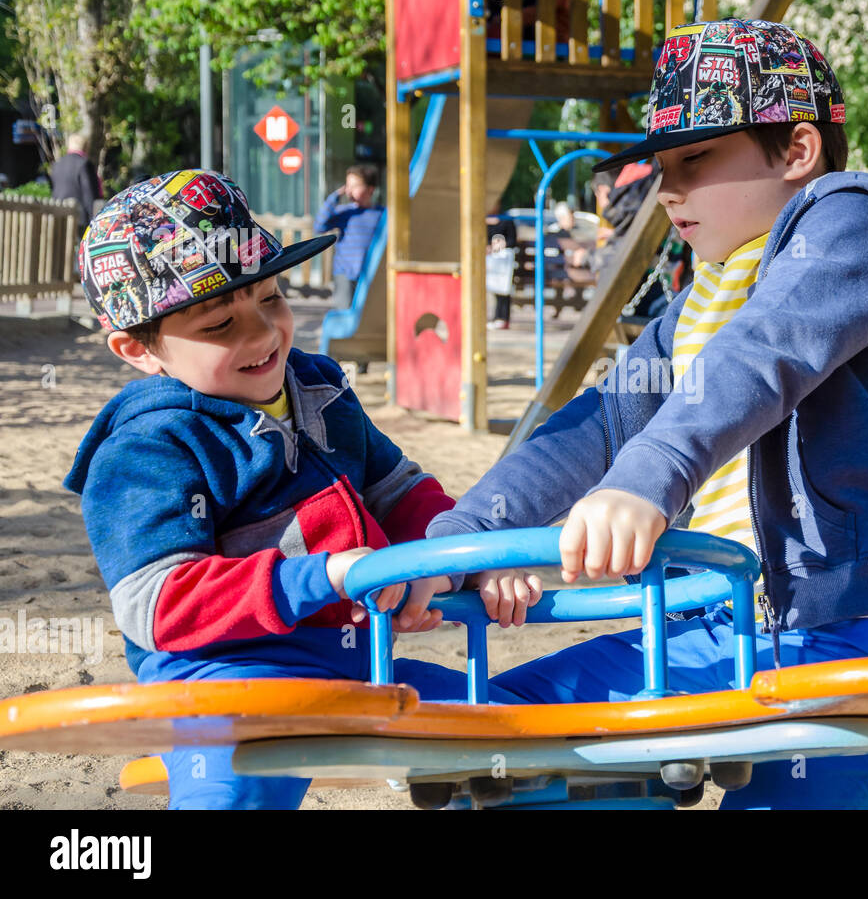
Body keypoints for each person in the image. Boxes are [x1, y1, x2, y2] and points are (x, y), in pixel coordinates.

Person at [420, 18, 868, 809]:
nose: (668, 190)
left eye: (695, 160)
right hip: (717, 626)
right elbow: (592, 429)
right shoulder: (692, 310)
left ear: (796, 151)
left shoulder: (856, 229)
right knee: (500, 738)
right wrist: (468, 531)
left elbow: (763, 355)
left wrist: (647, 478)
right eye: (660, 168)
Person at [63, 170, 541, 809]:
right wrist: (327, 576)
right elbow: (157, 605)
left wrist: (473, 561)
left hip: (356, 661)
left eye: (268, 298)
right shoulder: (147, 448)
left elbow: (400, 491)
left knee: (516, 737)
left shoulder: (319, 388)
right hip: (224, 677)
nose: (260, 335)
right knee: (231, 791)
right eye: (218, 325)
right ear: (137, 349)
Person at [313, 163, 384, 309]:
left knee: (367, 313)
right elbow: (319, 226)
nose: (349, 190)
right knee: (343, 310)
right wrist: (335, 197)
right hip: (344, 273)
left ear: (370, 189)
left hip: (371, 274)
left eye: (355, 186)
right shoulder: (345, 212)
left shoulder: (382, 214)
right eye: (347, 186)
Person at [50, 133, 102, 232]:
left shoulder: (57, 164)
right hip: (79, 218)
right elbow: (89, 194)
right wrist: (92, 219)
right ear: (85, 146)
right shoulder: (84, 164)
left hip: (59, 214)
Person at [487, 204, 518, 329]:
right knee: (494, 288)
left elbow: (512, 240)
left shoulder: (506, 220)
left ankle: (502, 317)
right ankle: (496, 317)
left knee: (503, 288)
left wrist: (502, 245)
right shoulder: (485, 220)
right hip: (490, 259)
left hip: (503, 260)